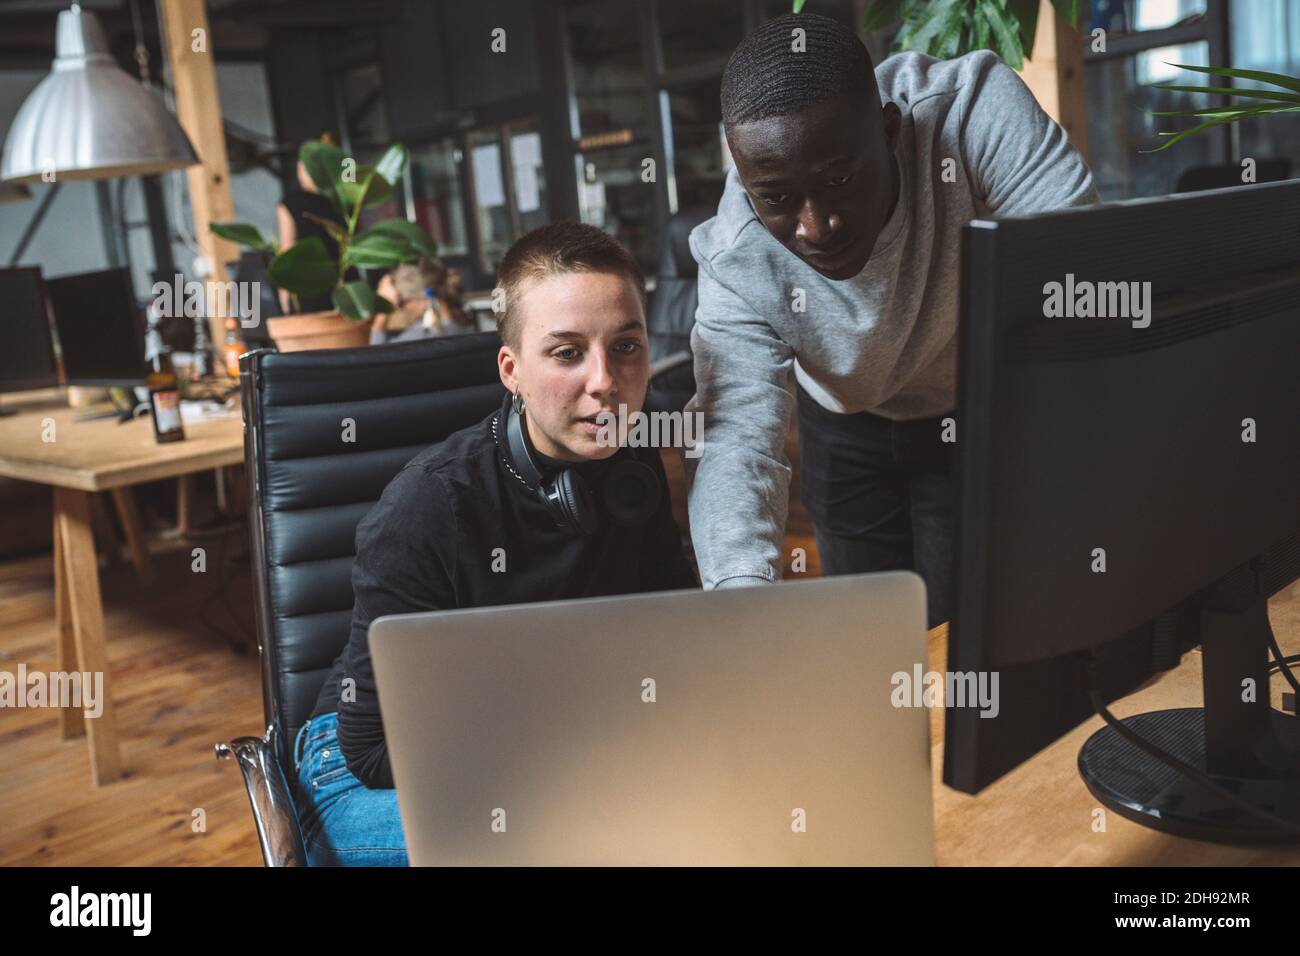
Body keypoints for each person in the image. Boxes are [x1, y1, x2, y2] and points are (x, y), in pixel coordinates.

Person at [294, 220, 698, 866]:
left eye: (626, 346)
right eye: (567, 353)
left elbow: (671, 626)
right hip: (357, 770)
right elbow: (370, 750)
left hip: (544, 735)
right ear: (511, 370)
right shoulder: (425, 511)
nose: (606, 382)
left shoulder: (628, 454)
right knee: (560, 841)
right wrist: (564, 759)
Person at [685, 13, 1099, 628]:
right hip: (844, 421)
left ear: (887, 129)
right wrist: (739, 614)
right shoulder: (735, 254)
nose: (816, 226)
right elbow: (735, 443)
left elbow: (1076, 276)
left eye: (840, 180)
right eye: (775, 198)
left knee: (962, 628)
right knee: (874, 633)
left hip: (971, 408)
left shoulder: (968, 112)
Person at [275, 133, 347, 314]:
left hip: (307, 292)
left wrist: (285, 302)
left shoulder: (290, 204)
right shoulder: (345, 202)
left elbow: (287, 253)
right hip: (345, 290)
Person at [368, 257, 475, 344]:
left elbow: (376, 361)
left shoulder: (429, 333)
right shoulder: (456, 320)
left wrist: (382, 315)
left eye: (401, 303)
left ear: (424, 296)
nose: (401, 310)